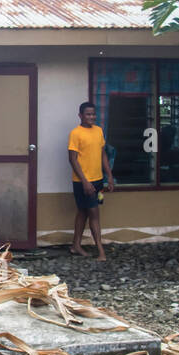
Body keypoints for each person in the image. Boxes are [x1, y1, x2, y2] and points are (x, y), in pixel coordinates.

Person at [68, 101, 116, 260]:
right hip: (82, 182)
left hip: (97, 179)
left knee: (83, 212)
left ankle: (76, 246)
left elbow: (103, 155)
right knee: (94, 214)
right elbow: (73, 160)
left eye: (93, 114)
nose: (91, 117)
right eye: (88, 114)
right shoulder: (76, 133)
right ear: (80, 115)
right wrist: (85, 182)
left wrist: (109, 175)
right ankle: (101, 252)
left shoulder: (99, 131)